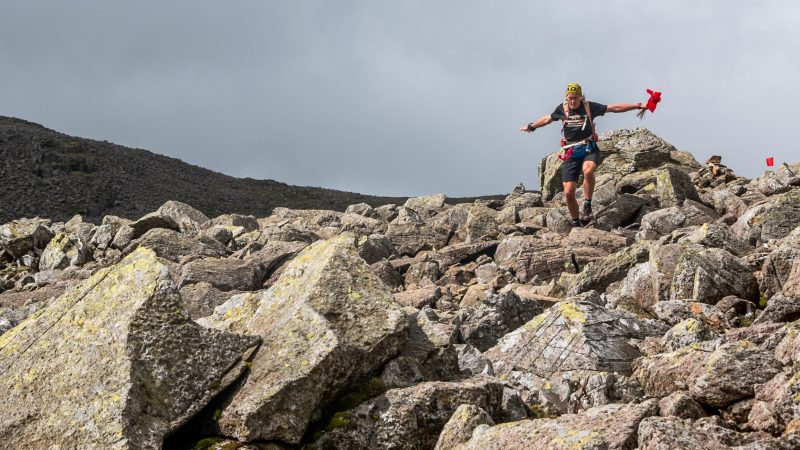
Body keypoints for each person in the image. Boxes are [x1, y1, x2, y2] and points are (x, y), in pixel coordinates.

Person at [520, 82, 647, 226]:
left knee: (588, 170)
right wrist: (531, 127)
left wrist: (638, 105)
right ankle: (576, 223)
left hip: (588, 148)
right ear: (566, 98)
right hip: (571, 152)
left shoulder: (589, 107)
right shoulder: (562, 109)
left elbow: (613, 108)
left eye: (575, 98)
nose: (572, 101)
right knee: (568, 193)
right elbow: (547, 119)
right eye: (570, 98)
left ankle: (587, 204)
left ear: (580, 97)